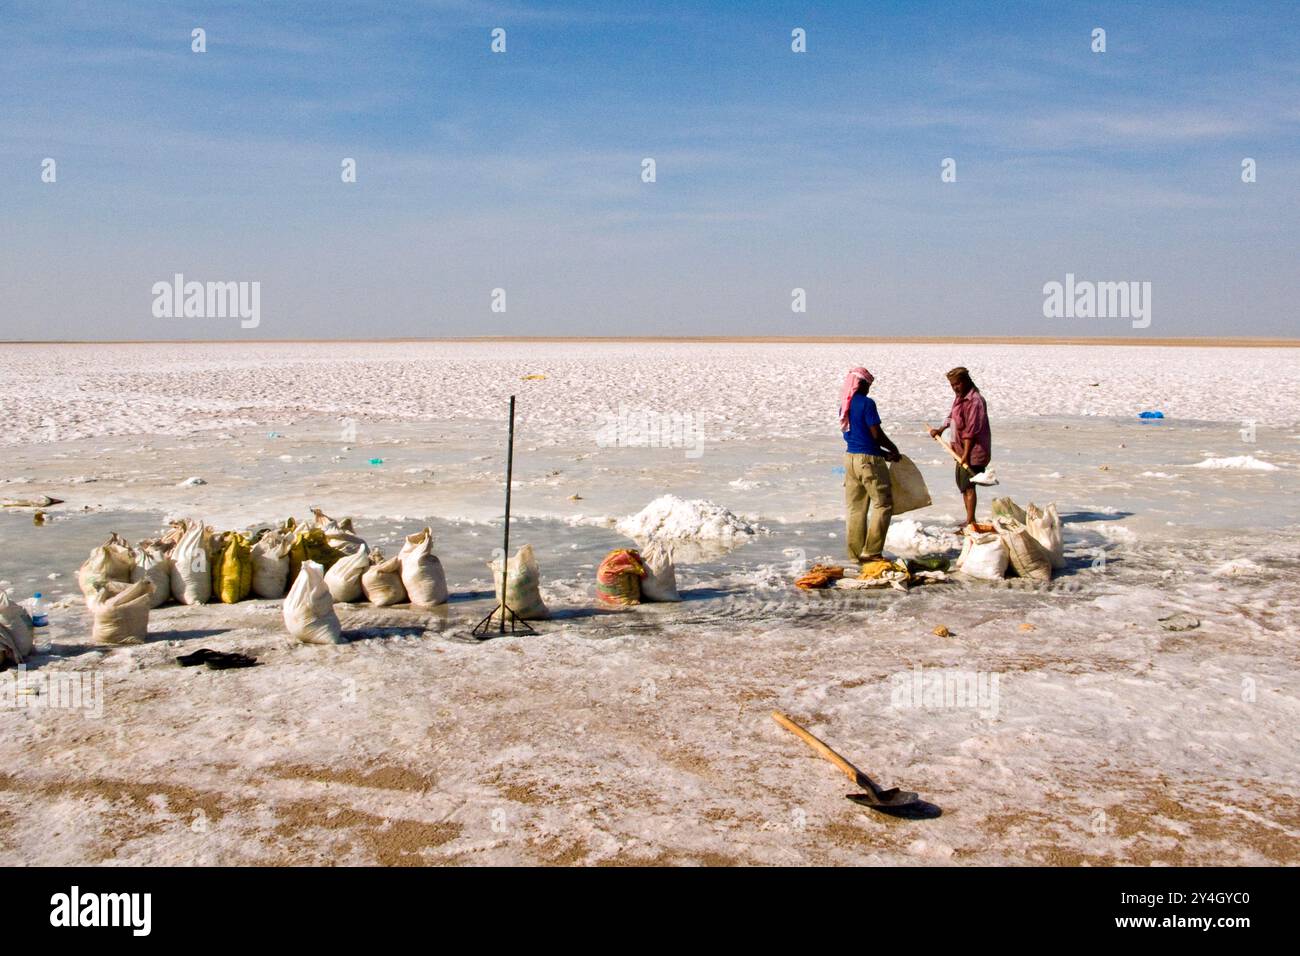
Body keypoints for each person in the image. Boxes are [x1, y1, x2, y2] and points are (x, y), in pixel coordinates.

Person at [839, 367, 901, 564]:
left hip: (850, 458)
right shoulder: (867, 404)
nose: (869, 389)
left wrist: (883, 453)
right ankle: (872, 551)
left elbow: (859, 435)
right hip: (869, 461)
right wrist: (893, 449)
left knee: (856, 507)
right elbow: (875, 434)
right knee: (883, 504)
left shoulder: (845, 404)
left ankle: (855, 554)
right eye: (868, 384)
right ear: (861, 383)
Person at [929, 366, 991, 530]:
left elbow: (972, 430)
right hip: (960, 451)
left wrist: (966, 454)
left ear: (966, 381)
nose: (955, 388)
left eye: (958, 384)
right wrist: (940, 430)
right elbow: (952, 416)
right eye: (952, 385)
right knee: (963, 485)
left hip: (973, 452)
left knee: (969, 486)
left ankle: (970, 521)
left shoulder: (975, 401)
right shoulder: (959, 398)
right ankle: (969, 519)